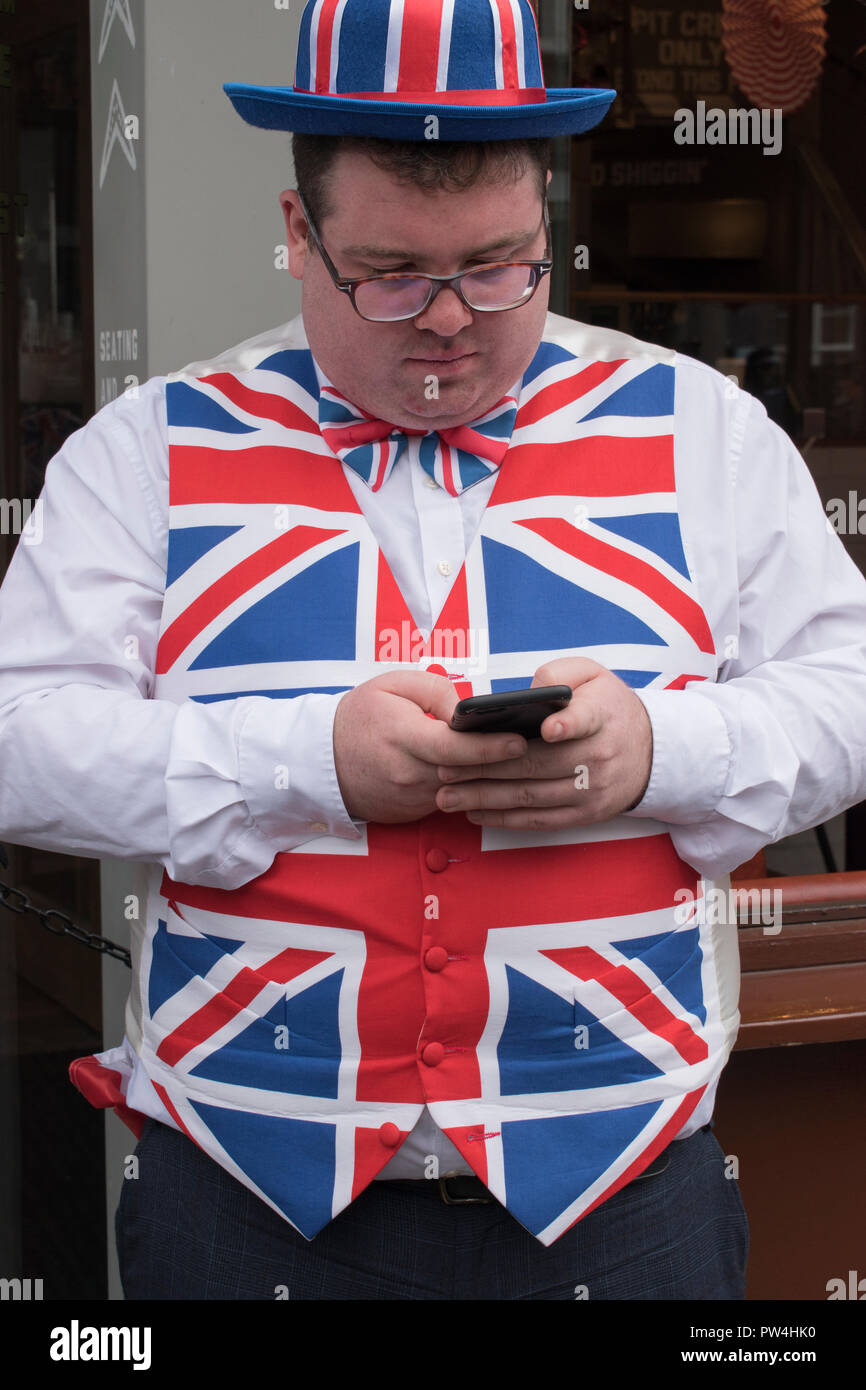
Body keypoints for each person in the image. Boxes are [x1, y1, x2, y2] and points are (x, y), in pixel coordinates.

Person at [1, 0, 865, 1302]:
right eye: (393, 273)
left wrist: (658, 747)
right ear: (298, 237)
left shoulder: (709, 434)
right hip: (245, 1205)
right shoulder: (146, 451)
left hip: (623, 1202)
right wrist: (302, 759)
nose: (452, 317)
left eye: (501, 264)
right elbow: (18, 741)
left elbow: (846, 694)